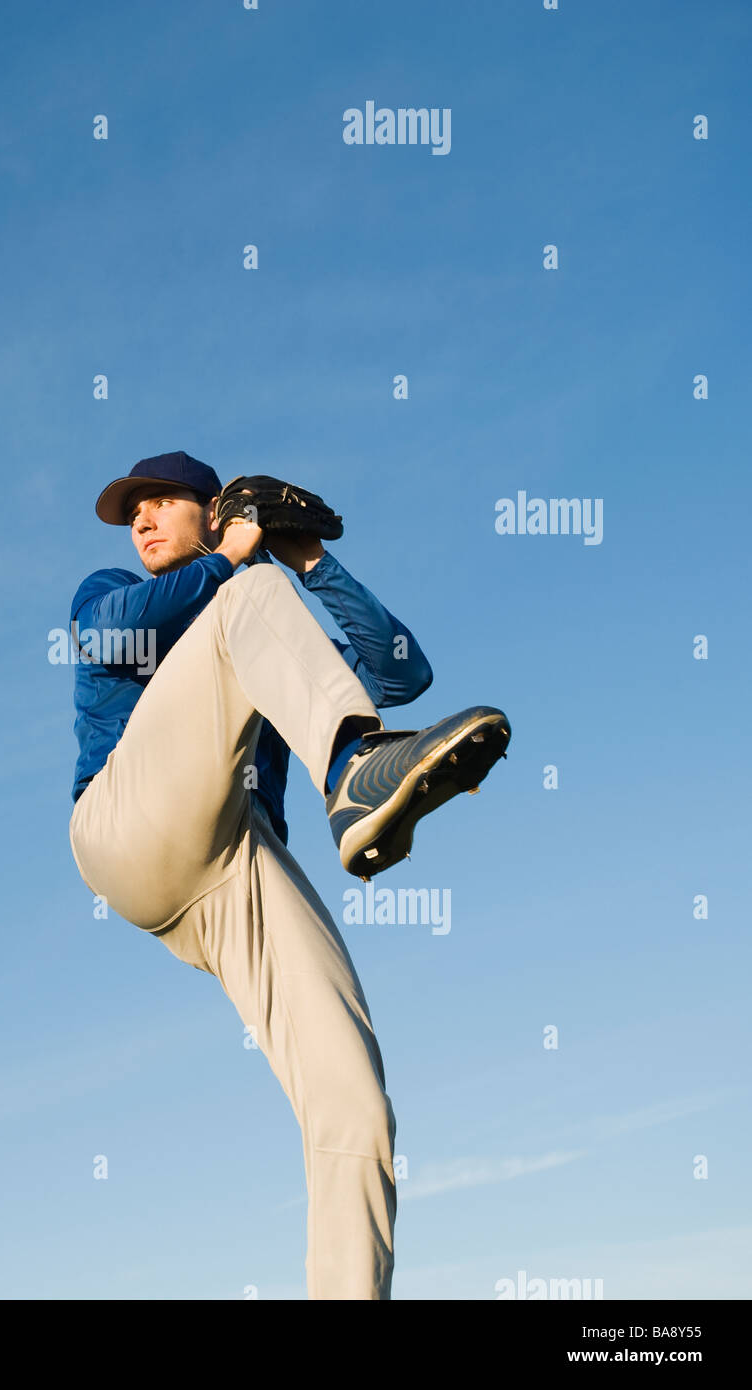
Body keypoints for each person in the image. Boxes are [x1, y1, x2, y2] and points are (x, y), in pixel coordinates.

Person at [66, 449, 510, 1299]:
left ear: (214, 510)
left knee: (354, 1100)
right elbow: (110, 636)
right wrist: (238, 561)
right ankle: (352, 769)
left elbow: (401, 671)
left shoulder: (263, 618)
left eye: (160, 501)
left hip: (238, 857)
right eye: (133, 512)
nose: (141, 519)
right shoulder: (114, 591)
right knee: (249, 599)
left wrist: (310, 560)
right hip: (125, 825)